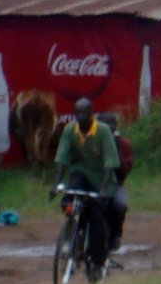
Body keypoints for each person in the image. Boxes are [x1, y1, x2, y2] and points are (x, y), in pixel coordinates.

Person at [52, 97, 120, 268]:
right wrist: (56, 183)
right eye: (77, 113)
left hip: (100, 180)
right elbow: (62, 158)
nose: (81, 116)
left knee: (96, 217)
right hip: (80, 174)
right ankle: (70, 232)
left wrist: (104, 189)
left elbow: (110, 163)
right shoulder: (70, 130)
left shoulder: (103, 131)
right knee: (71, 195)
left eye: (84, 113)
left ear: (92, 114)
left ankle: (97, 261)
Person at [97, 112, 133, 252]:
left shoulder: (124, 144)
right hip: (93, 183)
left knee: (120, 205)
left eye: (111, 126)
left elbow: (124, 171)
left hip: (116, 185)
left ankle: (115, 235)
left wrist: (115, 152)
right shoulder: (91, 141)